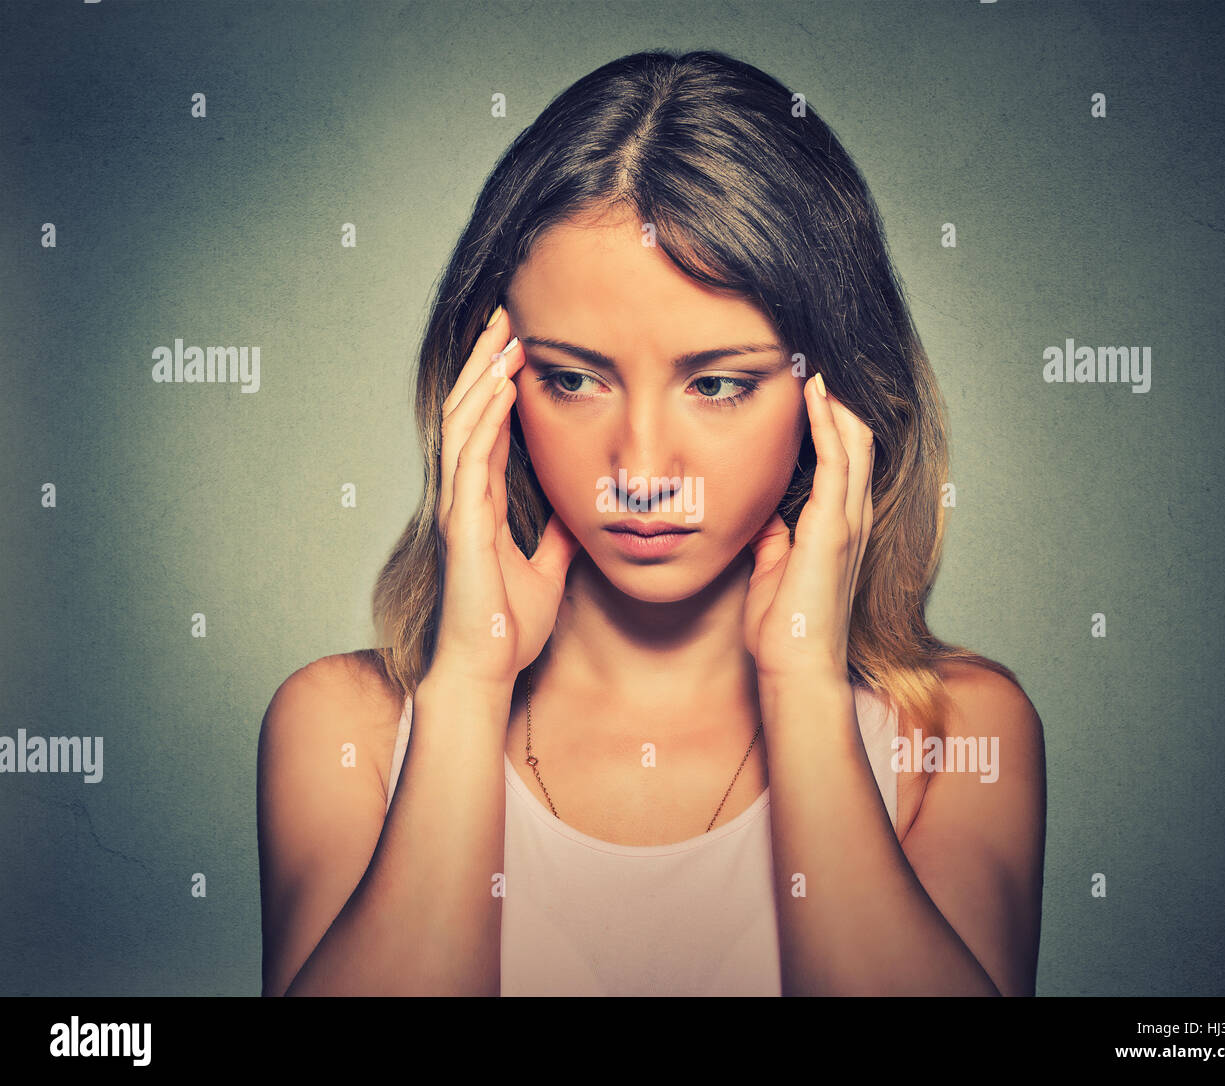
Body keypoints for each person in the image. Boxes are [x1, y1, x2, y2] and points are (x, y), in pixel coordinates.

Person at [256, 48, 1046, 997]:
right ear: (489, 388)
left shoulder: (954, 739)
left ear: (833, 393)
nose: (639, 474)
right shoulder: (344, 729)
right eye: (574, 379)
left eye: (717, 384)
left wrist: (799, 681)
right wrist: (468, 682)